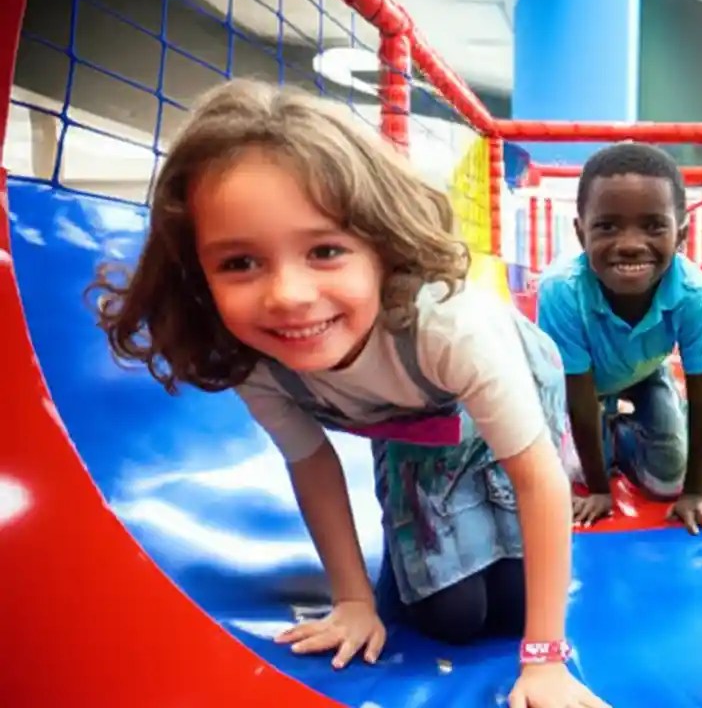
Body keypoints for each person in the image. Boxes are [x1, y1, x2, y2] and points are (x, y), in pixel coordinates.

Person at [88, 79, 607, 708]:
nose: (288, 296)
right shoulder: (257, 356)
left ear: (383, 250)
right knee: (454, 616)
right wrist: (354, 601)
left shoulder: (447, 326)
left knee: (520, 603)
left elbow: (537, 479)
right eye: (240, 263)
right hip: (409, 427)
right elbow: (312, 462)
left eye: (326, 250)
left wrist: (545, 659)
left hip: (507, 390)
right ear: (197, 273)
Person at [535, 142, 702, 534]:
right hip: (584, 387)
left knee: (666, 484)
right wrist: (599, 488)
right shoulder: (562, 291)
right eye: (606, 226)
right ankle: (608, 436)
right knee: (573, 470)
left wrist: (693, 491)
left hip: (646, 373)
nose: (629, 244)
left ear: (681, 236)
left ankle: (625, 434)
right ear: (580, 232)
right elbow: (578, 394)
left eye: (654, 225)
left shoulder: (693, 294)